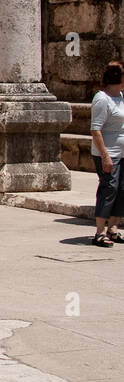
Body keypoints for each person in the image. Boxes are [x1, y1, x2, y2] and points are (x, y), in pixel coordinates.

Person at [89, 60, 124, 246]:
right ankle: (99, 232)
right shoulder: (102, 99)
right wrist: (105, 156)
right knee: (109, 188)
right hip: (108, 153)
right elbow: (96, 130)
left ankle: (113, 228)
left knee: (122, 190)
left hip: (122, 152)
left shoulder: (121, 97)